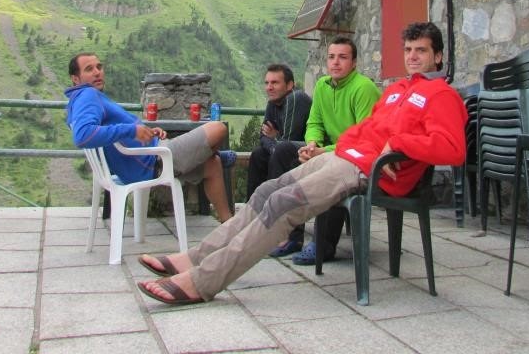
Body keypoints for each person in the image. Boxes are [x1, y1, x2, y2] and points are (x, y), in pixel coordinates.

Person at [136, 21, 466, 305]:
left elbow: (453, 150)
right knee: (266, 191)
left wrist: (400, 143)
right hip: (344, 157)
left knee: (283, 204)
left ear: (437, 56)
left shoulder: (442, 95)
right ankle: (193, 258)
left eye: (421, 51)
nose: (412, 57)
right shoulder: (397, 91)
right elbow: (363, 130)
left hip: (372, 172)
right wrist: (326, 149)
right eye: (408, 50)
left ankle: (202, 281)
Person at [65, 52, 233, 222]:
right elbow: (83, 135)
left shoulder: (80, 99)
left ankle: (228, 223)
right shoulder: (88, 95)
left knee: (213, 165)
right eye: (89, 69)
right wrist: (132, 130)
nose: (97, 72)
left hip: (150, 155)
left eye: (99, 67)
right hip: (154, 160)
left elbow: (109, 131)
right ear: (76, 79)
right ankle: (215, 153)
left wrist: (148, 132)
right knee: (218, 128)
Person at [291, 35, 381, 265]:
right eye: (331, 57)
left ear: (354, 63)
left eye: (342, 57)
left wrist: (324, 152)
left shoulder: (363, 88)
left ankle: (324, 246)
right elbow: (314, 122)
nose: (336, 62)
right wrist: (312, 144)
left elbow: (363, 138)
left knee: (333, 173)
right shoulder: (322, 85)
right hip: (328, 149)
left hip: (357, 157)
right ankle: (291, 235)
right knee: (282, 152)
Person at [245, 64, 313, 257]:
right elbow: (263, 137)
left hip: (309, 154)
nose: (269, 87)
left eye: (275, 82)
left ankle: (290, 235)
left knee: (281, 152)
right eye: (267, 83)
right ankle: (253, 220)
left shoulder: (296, 99)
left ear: (289, 85)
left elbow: (288, 140)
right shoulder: (273, 103)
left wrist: (276, 141)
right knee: (259, 154)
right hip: (287, 152)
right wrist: (275, 143)